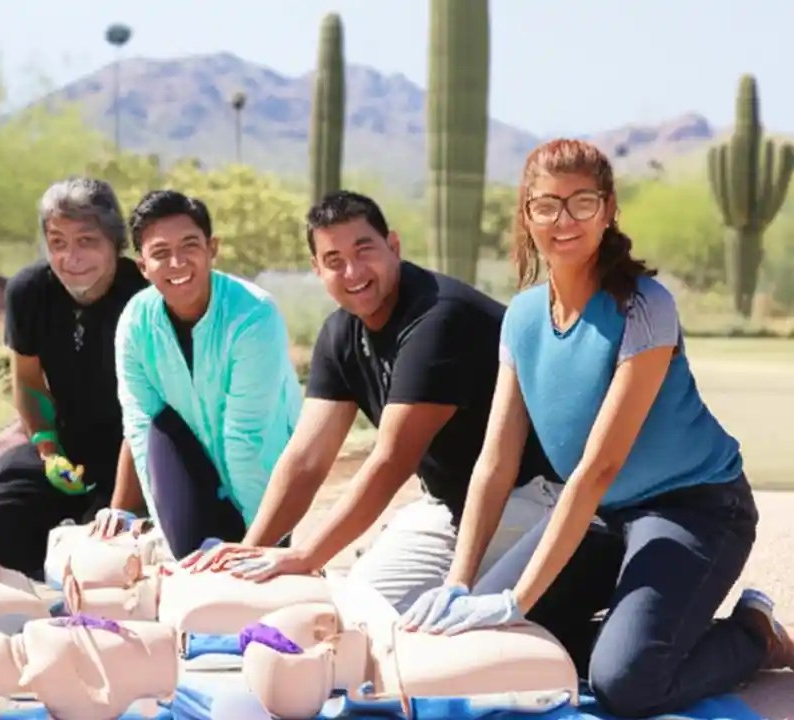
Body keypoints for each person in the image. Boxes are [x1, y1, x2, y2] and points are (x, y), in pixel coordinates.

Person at [399, 138, 793, 717]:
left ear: (608, 211)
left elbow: (598, 467)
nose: (565, 220)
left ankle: (753, 635)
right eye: (548, 205)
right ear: (526, 215)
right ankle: (648, 629)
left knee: (626, 684)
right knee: (483, 638)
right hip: (601, 516)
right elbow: (495, 462)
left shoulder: (644, 305)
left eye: (583, 203)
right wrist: (461, 583)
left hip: (695, 509)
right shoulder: (523, 318)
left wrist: (518, 599)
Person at [184, 190, 563, 613]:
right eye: (333, 261)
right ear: (317, 269)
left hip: (532, 496)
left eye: (364, 250)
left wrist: (308, 555)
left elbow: (391, 460)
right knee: (360, 609)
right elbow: (306, 459)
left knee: (451, 621)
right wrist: (251, 549)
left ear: (394, 247)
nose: (352, 271)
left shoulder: (440, 317)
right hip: (450, 504)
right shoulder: (340, 334)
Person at [0, 178, 148, 579]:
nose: (72, 257)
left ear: (114, 242)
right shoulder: (28, 291)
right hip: (60, 439)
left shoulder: (144, 296)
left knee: (107, 557)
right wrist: (48, 450)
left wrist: (119, 505)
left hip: (133, 447)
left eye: (86, 241)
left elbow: (150, 411)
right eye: (58, 242)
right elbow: (29, 383)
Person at [110, 189, 303, 560]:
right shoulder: (135, 320)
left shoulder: (254, 314)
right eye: (160, 254)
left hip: (263, 468)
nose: (177, 263)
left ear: (212, 248)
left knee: (252, 577)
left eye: (189, 246)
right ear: (142, 267)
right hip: (191, 455)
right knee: (192, 562)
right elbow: (140, 425)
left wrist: (257, 545)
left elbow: (248, 435)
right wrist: (166, 523)